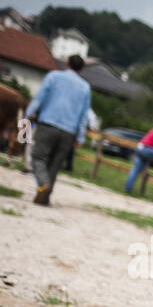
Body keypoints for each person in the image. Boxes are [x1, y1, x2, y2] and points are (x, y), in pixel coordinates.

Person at [24, 54, 92, 206]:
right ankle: (45, 198)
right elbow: (84, 115)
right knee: (55, 164)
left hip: (48, 124)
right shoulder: (85, 87)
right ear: (81, 69)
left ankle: (43, 183)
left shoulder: (54, 77)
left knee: (38, 157)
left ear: (67, 63)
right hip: (69, 132)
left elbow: (39, 98)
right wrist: (80, 137)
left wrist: (28, 114)